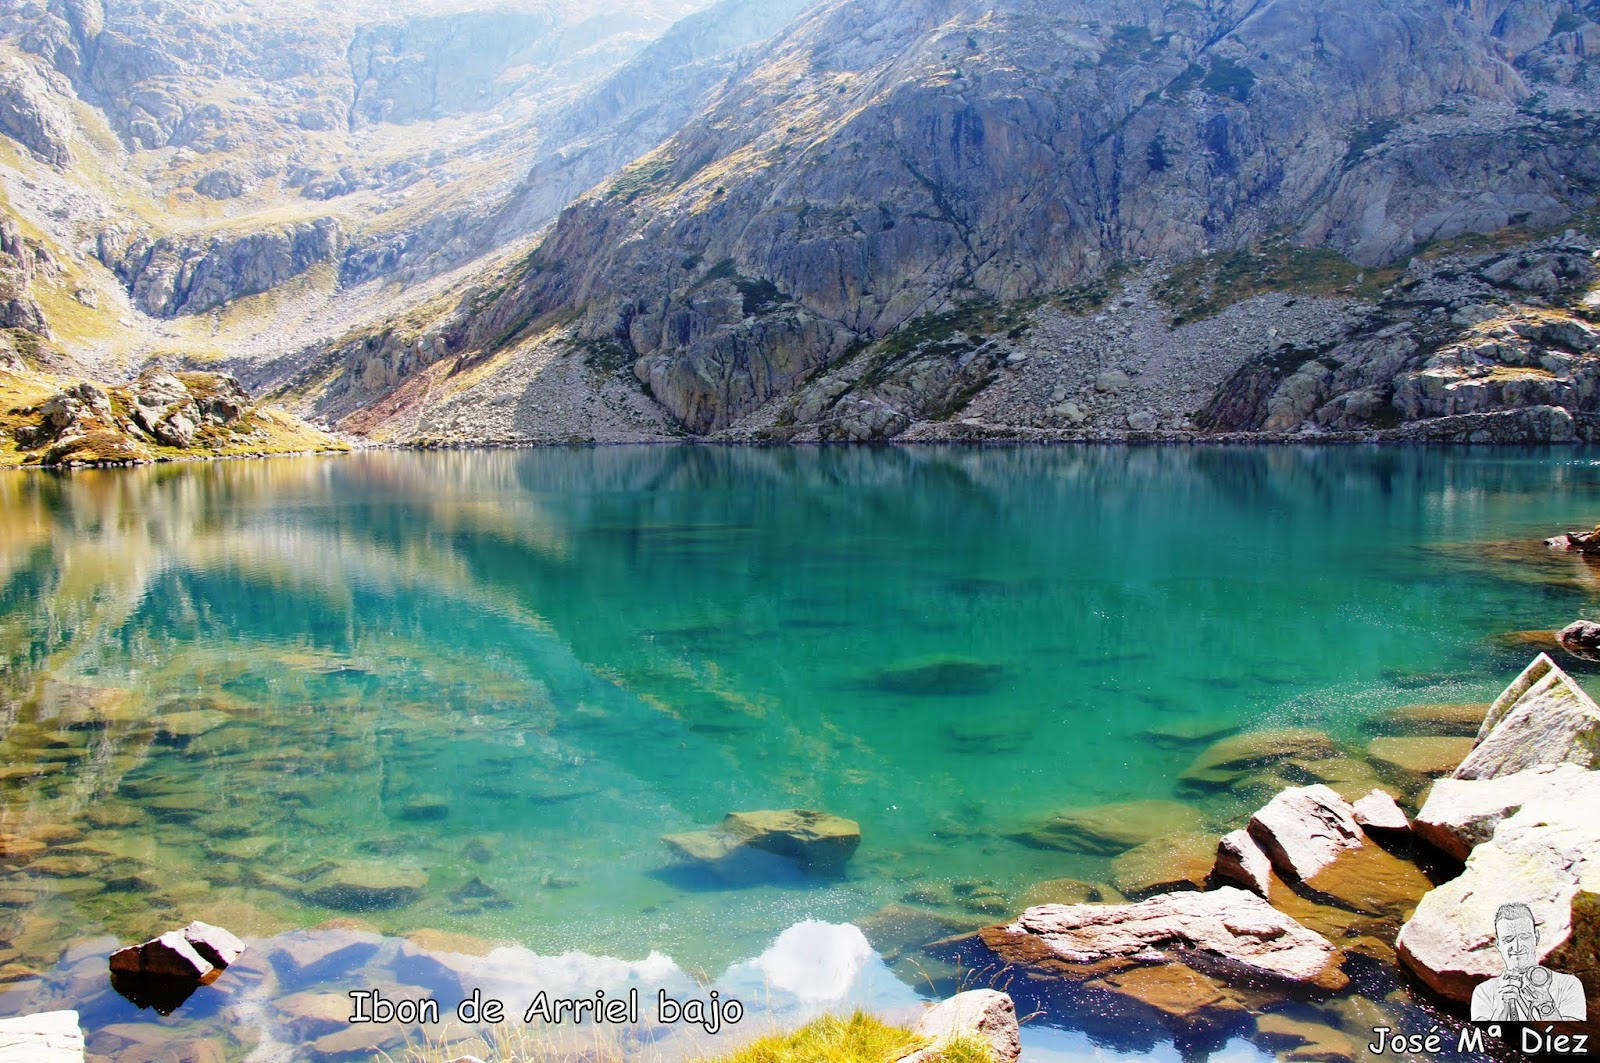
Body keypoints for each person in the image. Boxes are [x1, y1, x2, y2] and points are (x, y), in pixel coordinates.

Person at [1471, 903, 1586, 1022]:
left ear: (1536, 938)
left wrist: (1545, 1004)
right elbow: (1481, 1036)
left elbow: (1575, 1036)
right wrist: (1502, 1007)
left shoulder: (1568, 985)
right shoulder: (1484, 992)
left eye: (1524, 937)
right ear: (1499, 945)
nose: (1517, 946)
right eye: (1508, 939)